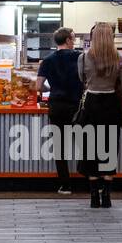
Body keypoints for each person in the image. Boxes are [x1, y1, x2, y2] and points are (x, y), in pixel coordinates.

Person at [75, 22, 122, 208]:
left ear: (93, 38)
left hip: (91, 104)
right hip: (111, 105)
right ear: (111, 38)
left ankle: (93, 196)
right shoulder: (119, 59)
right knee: (109, 147)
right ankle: (106, 196)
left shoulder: (83, 58)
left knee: (90, 148)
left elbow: (81, 80)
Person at [35, 27, 82, 193]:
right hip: (77, 107)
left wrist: (52, 89)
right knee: (85, 144)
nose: (74, 42)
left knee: (60, 147)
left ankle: (65, 185)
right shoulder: (80, 57)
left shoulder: (47, 60)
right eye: (74, 39)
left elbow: (38, 86)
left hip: (57, 106)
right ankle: (90, 183)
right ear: (68, 40)